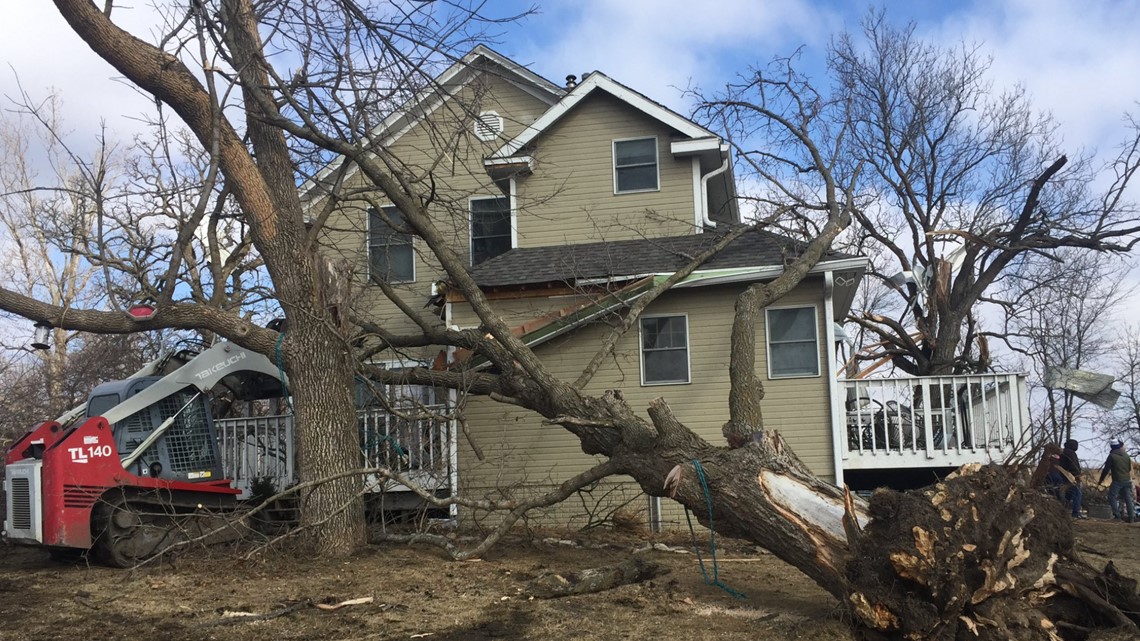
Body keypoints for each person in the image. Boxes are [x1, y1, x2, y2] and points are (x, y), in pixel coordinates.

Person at [1097, 439, 1135, 523]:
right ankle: (1132, 517)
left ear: (1111, 447)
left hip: (1118, 480)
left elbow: (1106, 470)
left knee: (1111, 497)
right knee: (1128, 498)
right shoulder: (1126, 455)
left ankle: (1117, 516)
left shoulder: (1111, 456)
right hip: (1127, 480)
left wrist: (1100, 480)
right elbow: (1129, 468)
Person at [1058, 439, 1085, 518]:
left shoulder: (1063, 452)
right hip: (1071, 477)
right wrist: (1077, 475)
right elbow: (1074, 465)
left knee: (1069, 494)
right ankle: (1076, 513)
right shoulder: (1071, 453)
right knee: (1077, 494)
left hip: (1064, 475)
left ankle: (1063, 510)